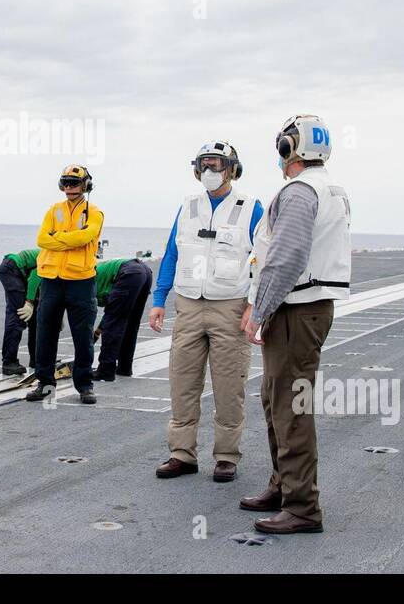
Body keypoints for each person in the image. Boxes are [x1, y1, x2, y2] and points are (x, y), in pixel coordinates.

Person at [238, 115, 351, 534]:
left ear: (289, 149)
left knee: (291, 407)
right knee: (275, 398)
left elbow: (286, 257)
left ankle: (303, 507)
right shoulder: (329, 188)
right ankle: (284, 486)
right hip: (306, 306)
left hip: (296, 309)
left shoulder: (300, 190)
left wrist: (259, 309)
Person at [150, 142, 263, 482]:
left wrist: (254, 307)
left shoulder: (251, 208)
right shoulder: (188, 207)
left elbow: (262, 259)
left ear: (233, 169)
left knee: (229, 385)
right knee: (182, 382)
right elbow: (171, 252)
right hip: (187, 305)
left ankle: (227, 455)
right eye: (205, 165)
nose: (211, 171)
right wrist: (159, 299)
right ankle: (181, 453)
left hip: (231, 307)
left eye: (217, 164)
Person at [24, 164, 104, 405]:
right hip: (51, 281)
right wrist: (69, 241)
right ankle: (45, 383)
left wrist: (56, 239)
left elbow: (85, 237)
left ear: (86, 185)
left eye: (75, 183)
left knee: (82, 336)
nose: (70, 187)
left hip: (80, 280)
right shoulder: (53, 210)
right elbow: (41, 239)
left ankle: (85, 385)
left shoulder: (94, 213)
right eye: (66, 183)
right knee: (45, 334)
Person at [91, 257, 154, 380]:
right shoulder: (97, 276)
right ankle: (124, 368)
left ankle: (105, 371)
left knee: (114, 324)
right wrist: (97, 332)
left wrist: (89, 342)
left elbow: (110, 317)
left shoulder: (85, 283)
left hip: (129, 273)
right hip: (144, 272)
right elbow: (114, 310)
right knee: (131, 323)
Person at [0, 249, 41, 375]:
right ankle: (9, 362)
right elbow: (35, 277)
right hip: (12, 269)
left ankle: (36, 360)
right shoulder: (53, 258)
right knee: (19, 315)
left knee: (35, 318)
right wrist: (29, 302)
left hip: (19, 272)